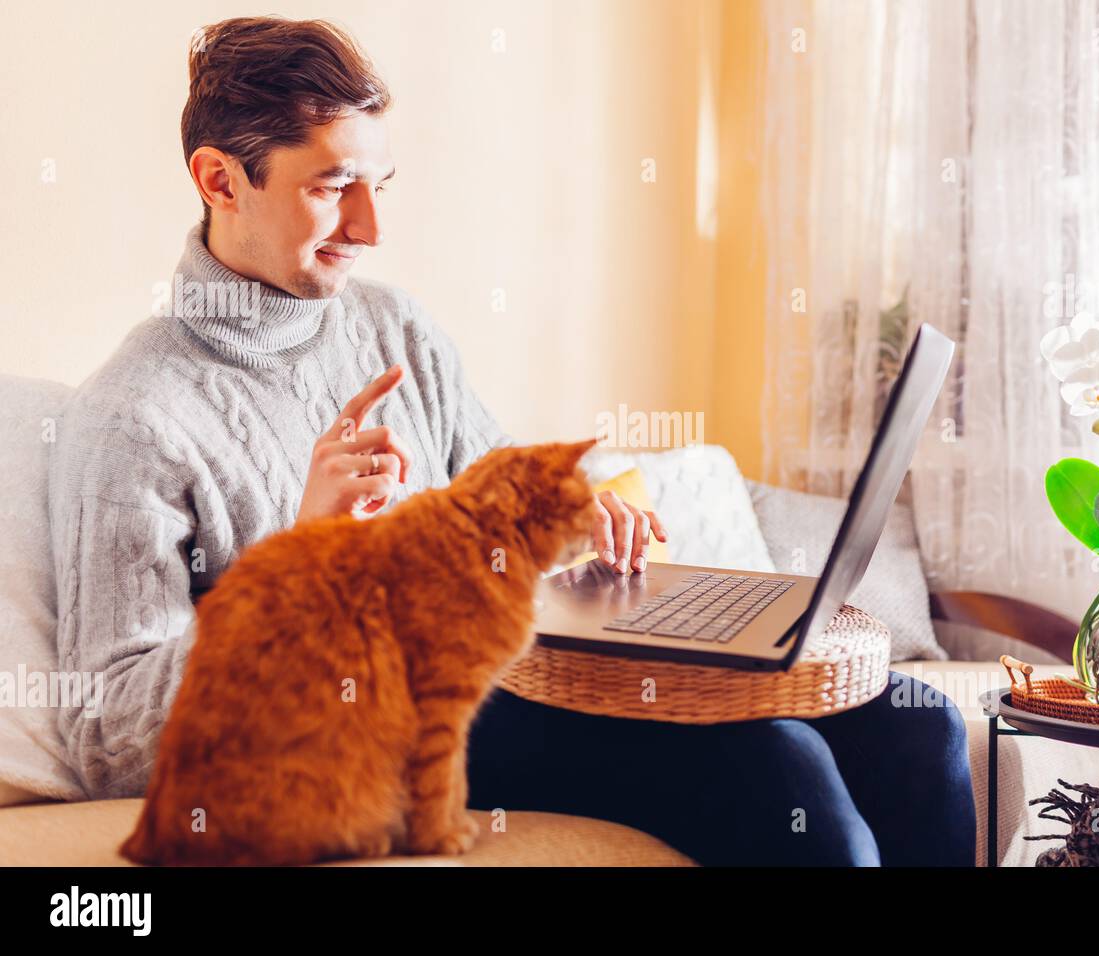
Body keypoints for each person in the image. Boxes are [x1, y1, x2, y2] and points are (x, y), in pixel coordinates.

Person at [49, 15, 975, 865]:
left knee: (918, 723)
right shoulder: (133, 415)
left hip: (540, 665)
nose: (370, 227)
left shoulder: (395, 329)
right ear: (220, 179)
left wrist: (586, 520)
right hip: (409, 725)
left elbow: (504, 497)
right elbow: (107, 732)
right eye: (333, 187)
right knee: (781, 771)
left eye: (377, 185)